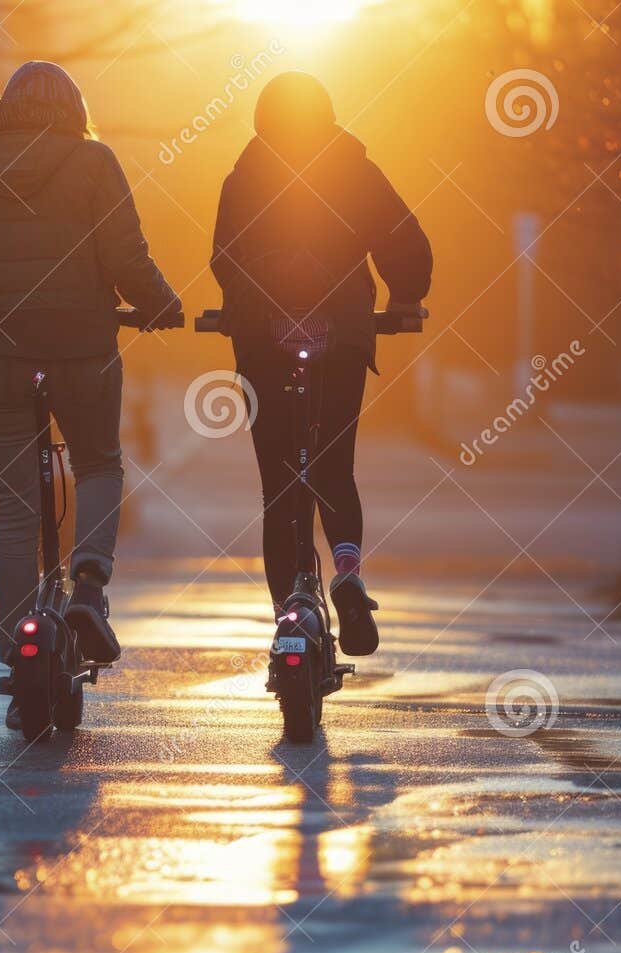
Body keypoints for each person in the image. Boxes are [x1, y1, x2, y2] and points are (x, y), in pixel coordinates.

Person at [0, 61, 182, 729]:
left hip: (2, 357)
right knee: (97, 463)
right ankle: (88, 589)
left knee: (12, 506)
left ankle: (20, 657)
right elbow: (126, 257)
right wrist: (161, 304)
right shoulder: (95, 161)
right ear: (74, 110)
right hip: (82, 351)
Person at [209, 71, 432, 656]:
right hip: (341, 336)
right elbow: (407, 244)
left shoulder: (244, 175)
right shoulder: (354, 168)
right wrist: (403, 297)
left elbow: (224, 258)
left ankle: (288, 613)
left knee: (279, 484)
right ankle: (348, 576)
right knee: (334, 468)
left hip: (263, 339)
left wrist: (242, 304)